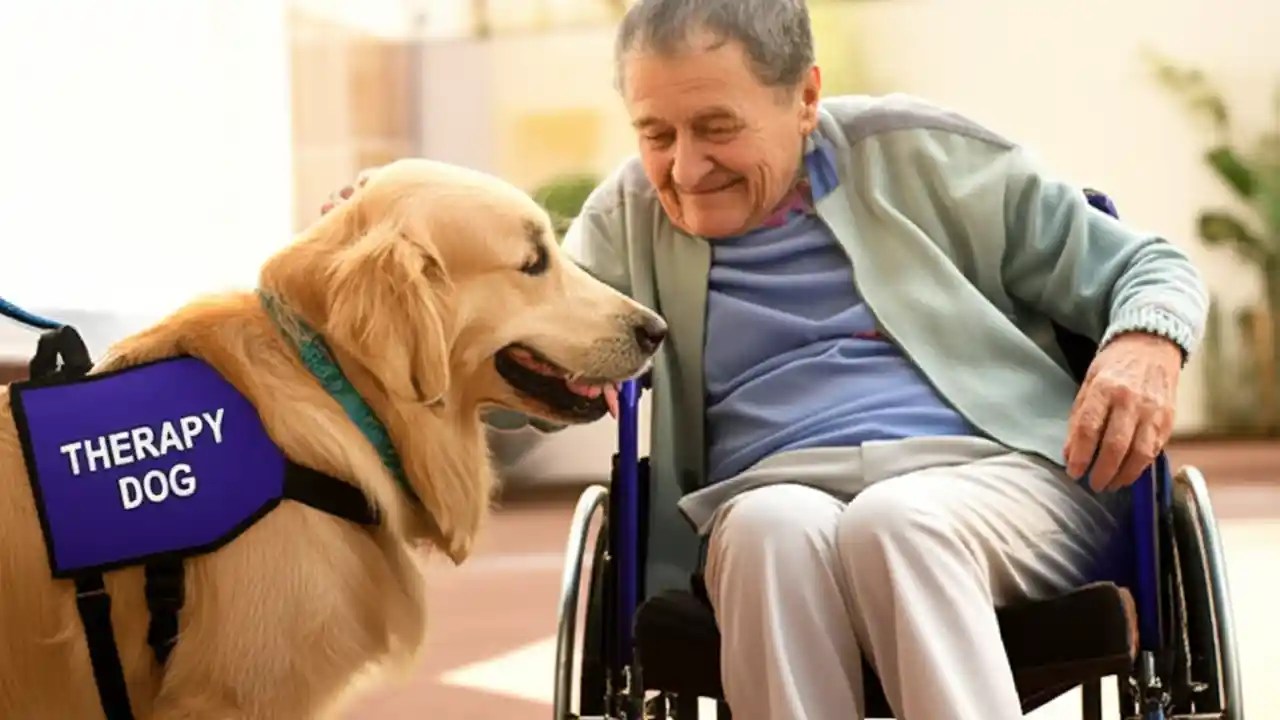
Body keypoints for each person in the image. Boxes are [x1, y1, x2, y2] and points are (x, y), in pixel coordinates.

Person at [325, 1, 1207, 716]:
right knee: (762, 529)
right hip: (770, 495)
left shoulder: (929, 156)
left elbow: (1147, 265)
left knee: (896, 522)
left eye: (717, 127)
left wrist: (1144, 342)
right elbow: (519, 364)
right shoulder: (626, 220)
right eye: (655, 133)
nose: (685, 168)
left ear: (806, 96)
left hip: (997, 486)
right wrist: (385, 262)